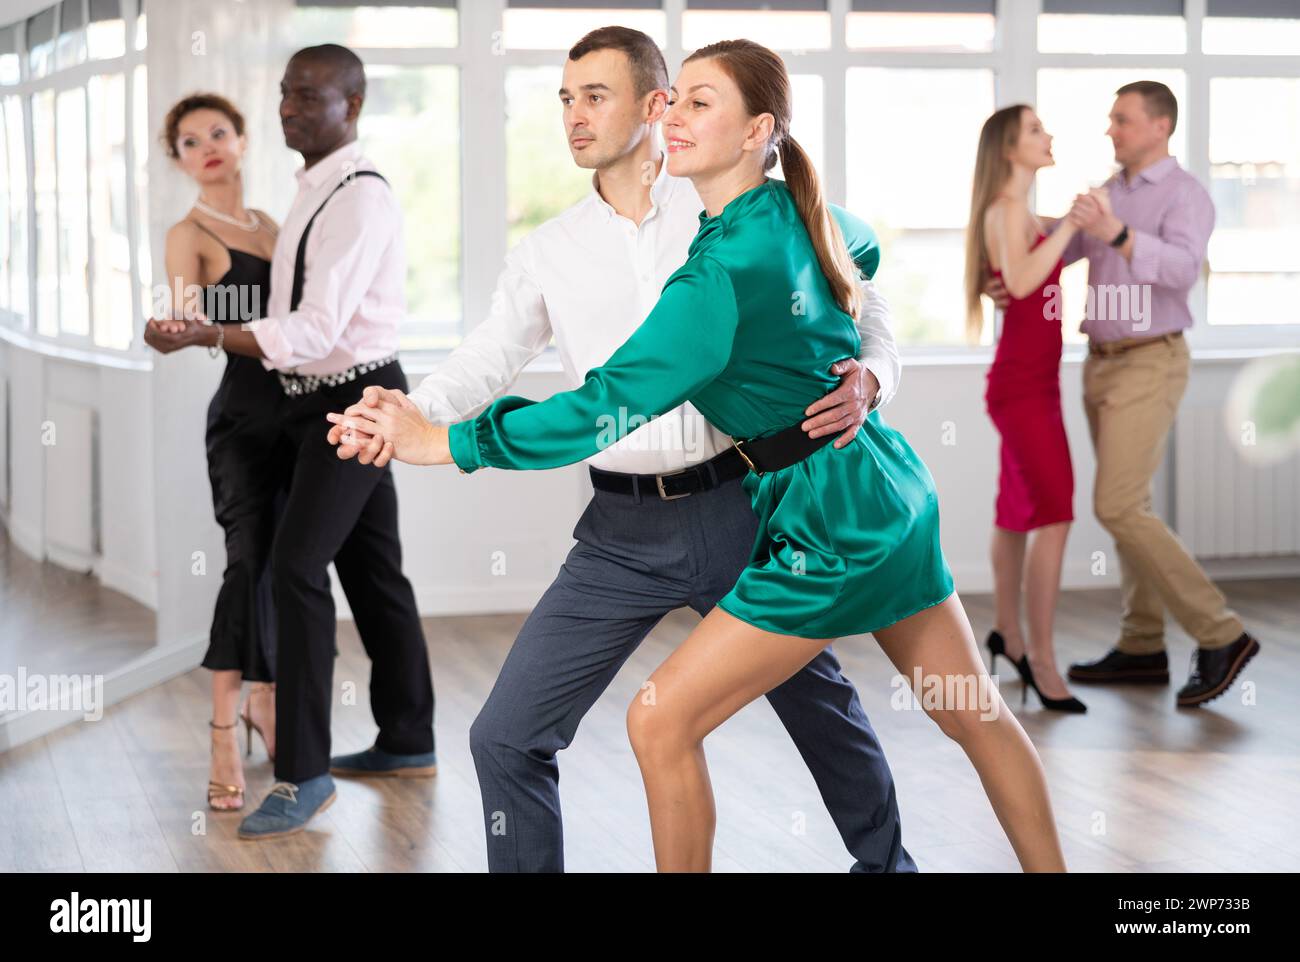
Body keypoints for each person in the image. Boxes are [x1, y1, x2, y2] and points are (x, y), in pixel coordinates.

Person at [332, 39, 1067, 872]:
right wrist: (412, 414)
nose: (578, 114)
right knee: (971, 711)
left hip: (775, 510)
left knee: (694, 719)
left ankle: (887, 864)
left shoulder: (714, 255)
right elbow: (493, 356)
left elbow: (616, 399)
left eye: (605, 96)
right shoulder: (763, 208)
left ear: (748, 128)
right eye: (565, 98)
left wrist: (874, 375)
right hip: (847, 498)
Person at [146, 44, 436, 839]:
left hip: (353, 396)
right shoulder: (310, 190)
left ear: (354, 103)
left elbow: (314, 331)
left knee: (297, 567)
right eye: (284, 93)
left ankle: (304, 774)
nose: (289, 108)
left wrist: (206, 331)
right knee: (374, 572)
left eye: (310, 95)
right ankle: (409, 738)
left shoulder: (357, 196)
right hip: (319, 399)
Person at [1062, 81, 1260, 706]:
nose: (1111, 130)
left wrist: (1116, 232)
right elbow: (1064, 251)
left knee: (1118, 506)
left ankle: (1221, 633)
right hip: (1101, 360)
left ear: (1159, 126)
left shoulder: (1186, 195)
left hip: (1151, 360)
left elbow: (1181, 271)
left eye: (1122, 120)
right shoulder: (1108, 192)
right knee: (1131, 504)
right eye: (1111, 119)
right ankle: (1142, 644)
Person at [145, 93, 286, 811]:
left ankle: (268, 701)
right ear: (178, 160)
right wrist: (175, 326)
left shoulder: (270, 224)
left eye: (218, 133)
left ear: (242, 140)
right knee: (246, 564)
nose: (206, 146)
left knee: (285, 568)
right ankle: (223, 729)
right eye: (190, 140)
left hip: (300, 417)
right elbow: (182, 316)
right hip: (242, 423)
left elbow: (307, 318)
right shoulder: (188, 232)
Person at [964, 104, 1086, 713]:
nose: (1049, 135)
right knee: (1056, 514)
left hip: (1034, 383)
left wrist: (1071, 223)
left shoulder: (1024, 214)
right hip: (1022, 387)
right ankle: (1041, 659)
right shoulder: (1007, 211)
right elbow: (1017, 279)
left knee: (1017, 512)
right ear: (1010, 149)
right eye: (1037, 129)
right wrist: (1066, 232)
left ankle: (1007, 634)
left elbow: (1029, 262)